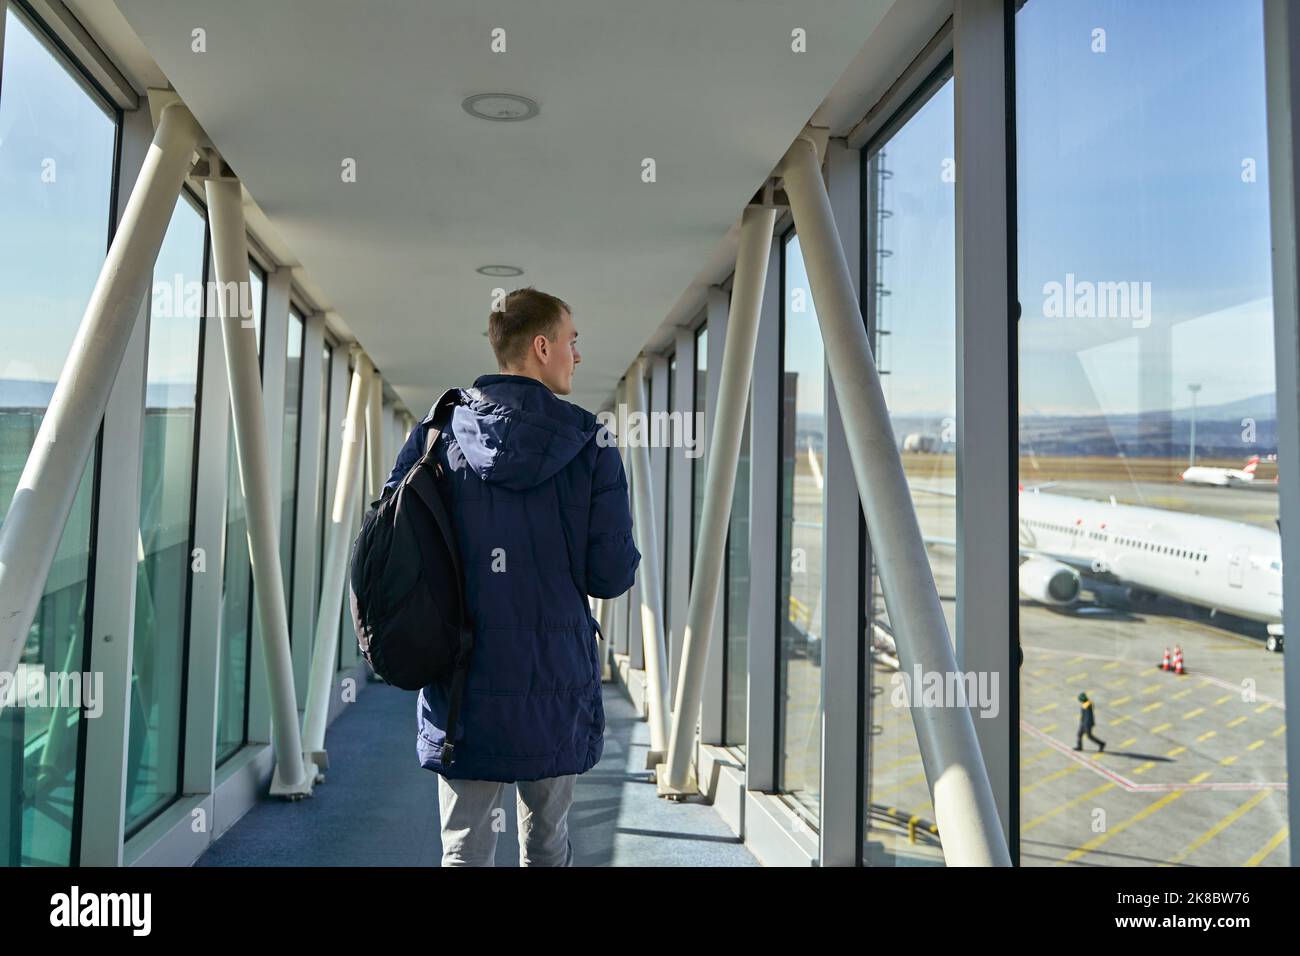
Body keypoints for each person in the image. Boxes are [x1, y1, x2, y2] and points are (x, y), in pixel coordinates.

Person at [384, 287, 640, 866]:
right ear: (542, 346)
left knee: (464, 850)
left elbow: (396, 547)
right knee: (547, 846)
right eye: (572, 342)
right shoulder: (592, 444)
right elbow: (610, 576)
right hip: (555, 685)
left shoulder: (437, 434)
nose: (578, 356)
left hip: (461, 685)